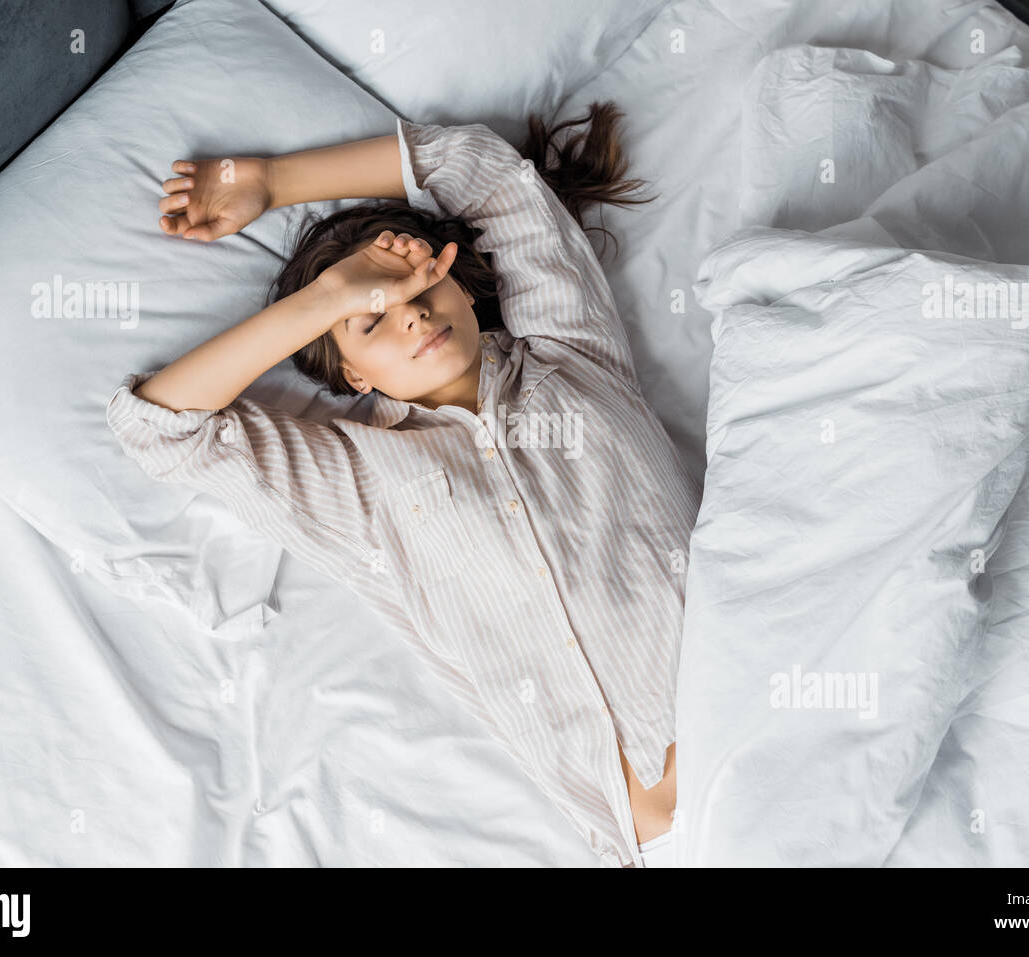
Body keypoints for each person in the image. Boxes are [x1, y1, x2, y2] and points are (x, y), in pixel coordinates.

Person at [106, 102, 700, 867]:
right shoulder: (358, 485)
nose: (412, 317)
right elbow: (157, 427)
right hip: (672, 839)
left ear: (458, 285)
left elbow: (481, 170)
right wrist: (327, 299)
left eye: (418, 287)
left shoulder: (573, 351)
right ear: (350, 374)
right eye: (373, 318)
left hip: (770, 714)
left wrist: (272, 181)